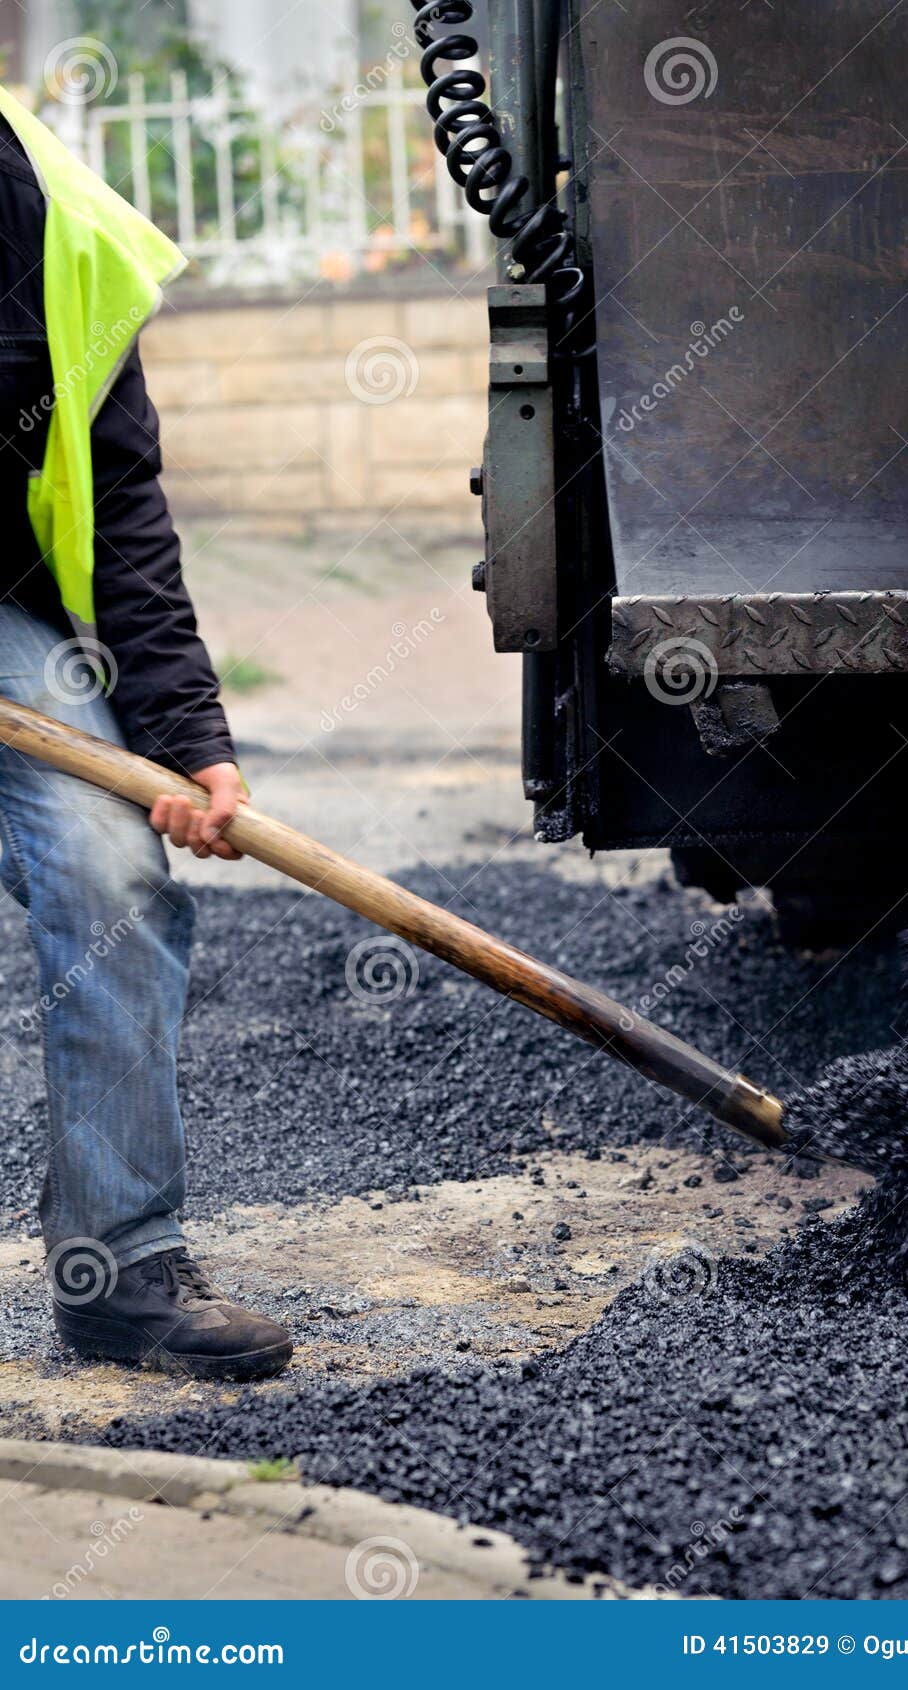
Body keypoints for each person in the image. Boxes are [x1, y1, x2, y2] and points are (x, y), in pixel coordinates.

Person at [0, 86, 292, 1380]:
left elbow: (116, 501)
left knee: (109, 866)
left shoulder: (62, 225)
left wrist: (184, 735)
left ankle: (121, 1268)